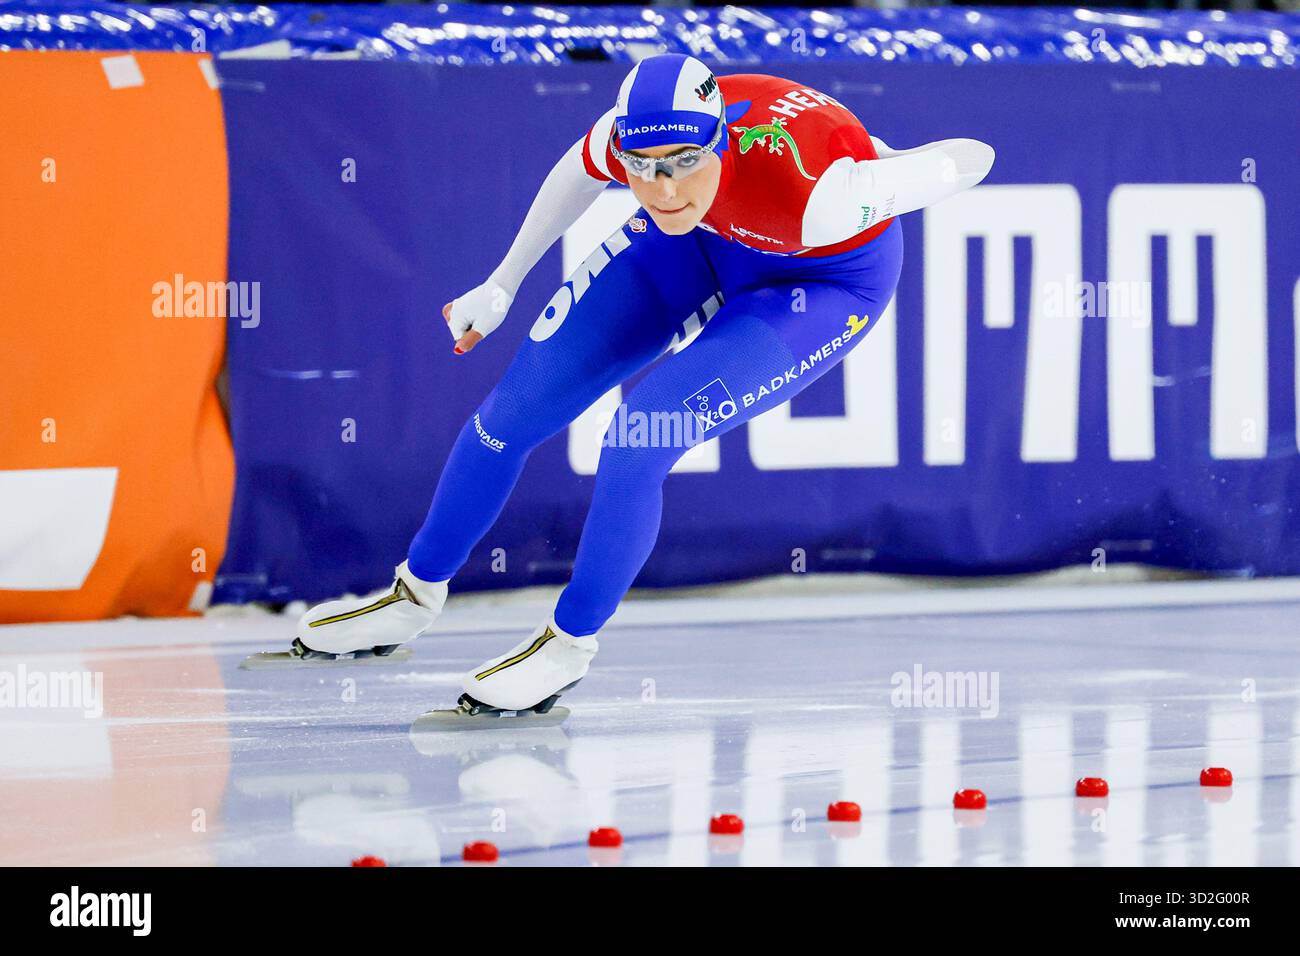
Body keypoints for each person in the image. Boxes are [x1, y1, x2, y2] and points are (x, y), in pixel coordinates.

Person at [292, 54, 994, 716]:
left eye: (686, 163)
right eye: (642, 167)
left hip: (815, 282)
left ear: (721, 141)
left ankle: (566, 646)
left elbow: (973, 157)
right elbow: (576, 170)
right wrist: (502, 283)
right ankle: (412, 594)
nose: (662, 187)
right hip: (701, 240)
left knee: (638, 439)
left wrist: (902, 172)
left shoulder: (825, 194)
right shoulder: (642, 155)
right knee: (509, 413)